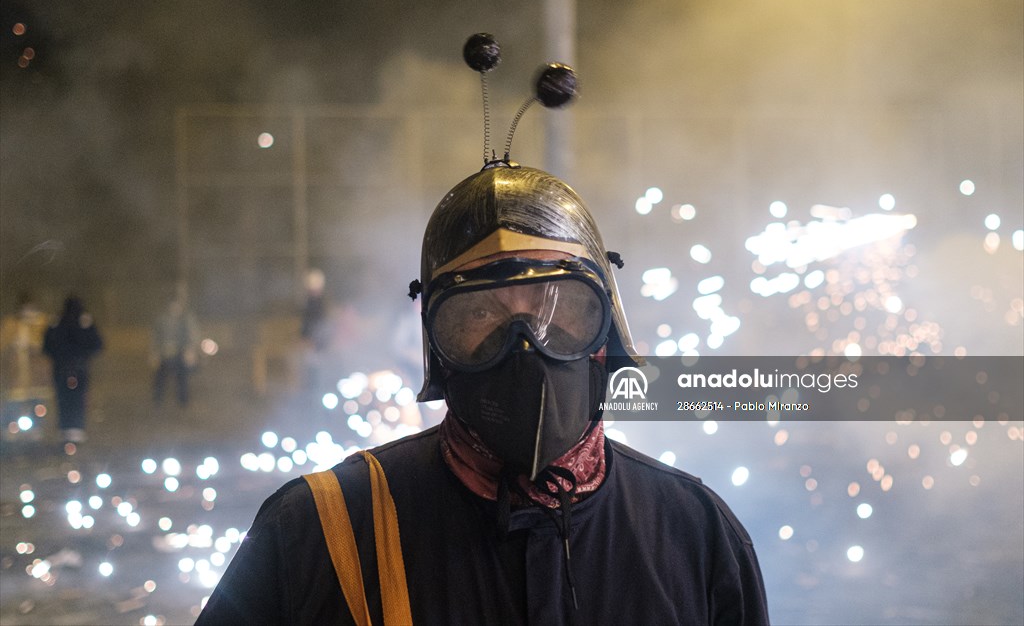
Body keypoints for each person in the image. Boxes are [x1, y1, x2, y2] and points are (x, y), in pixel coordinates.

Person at [197, 161, 769, 625]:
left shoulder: (695, 533)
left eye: (559, 308)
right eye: (479, 315)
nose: (526, 345)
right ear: (438, 346)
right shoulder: (321, 530)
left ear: (605, 332)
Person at [42, 295, 103, 443]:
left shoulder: (57, 322)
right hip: (78, 368)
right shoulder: (83, 322)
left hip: (62, 369)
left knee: (64, 399)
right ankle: (76, 427)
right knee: (77, 398)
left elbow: (47, 346)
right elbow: (97, 345)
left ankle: (66, 428)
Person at [151, 293, 200, 406]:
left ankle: (183, 401)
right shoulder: (162, 320)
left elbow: (193, 335)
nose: (175, 308)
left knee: (182, 377)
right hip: (164, 353)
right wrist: (155, 352)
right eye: (173, 306)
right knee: (160, 377)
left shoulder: (186, 320)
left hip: (180, 352)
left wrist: (190, 350)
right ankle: (157, 400)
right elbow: (155, 337)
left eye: (177, 306)